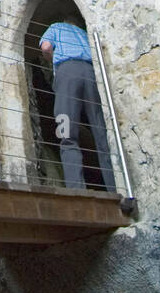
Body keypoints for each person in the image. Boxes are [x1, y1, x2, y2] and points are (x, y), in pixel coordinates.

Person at [39, 14, 116, 192]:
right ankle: (115, 187)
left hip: (67, 73)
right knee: (101, 133)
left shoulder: (56, 26)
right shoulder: (83, 33)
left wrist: (53, 62)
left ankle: (76, 189)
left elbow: (46, 47)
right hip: (91, 75)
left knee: (66, 131)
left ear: (65, 21)